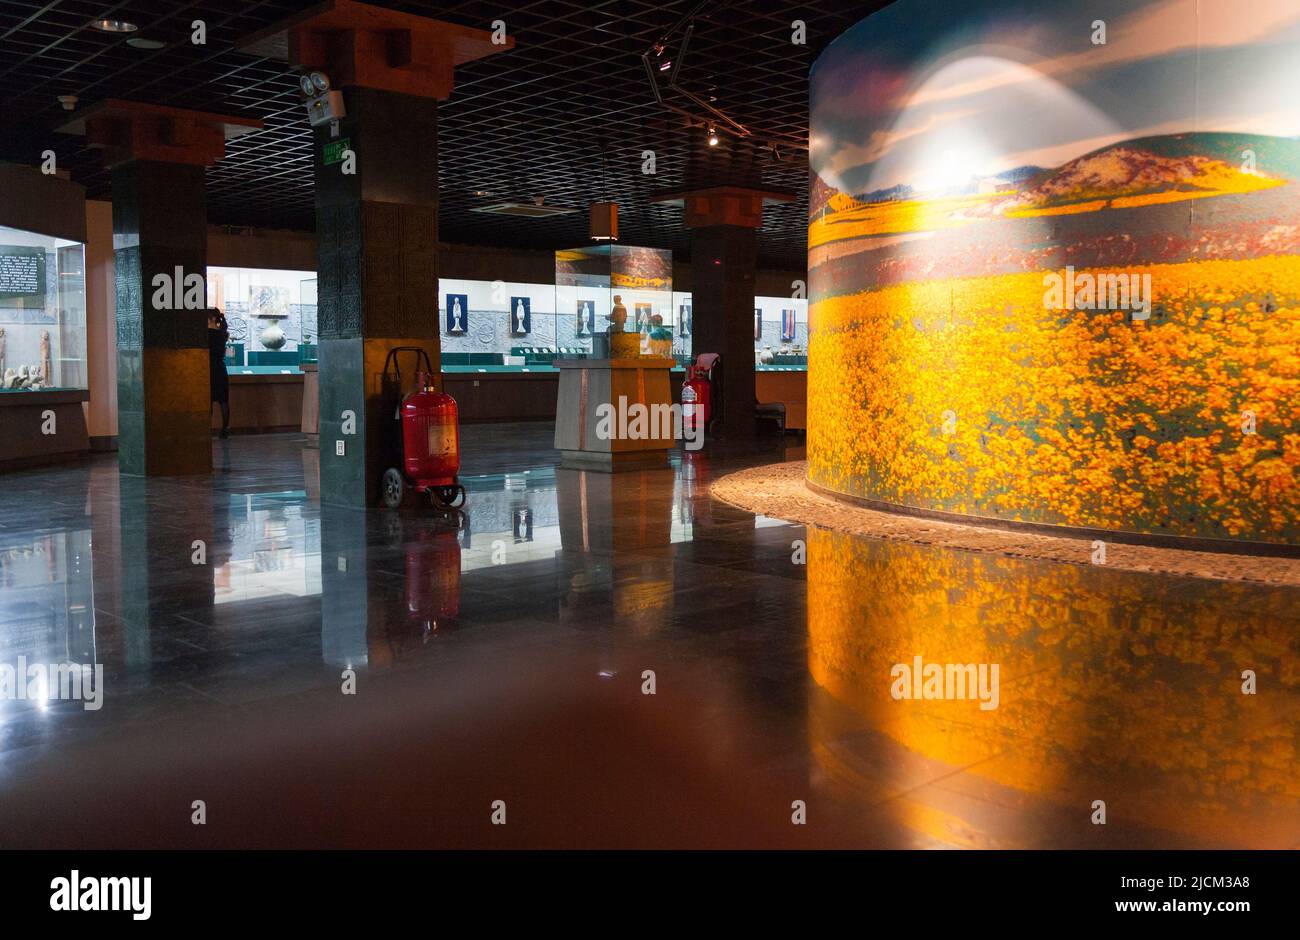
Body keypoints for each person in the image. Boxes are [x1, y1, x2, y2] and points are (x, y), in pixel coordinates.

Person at [207, 308, 231, 438]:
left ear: (210, 319)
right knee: (224, 401)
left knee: (208, 400)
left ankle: (206, 429)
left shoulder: (206, 334)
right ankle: (225, 429)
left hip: (209, 369)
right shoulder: (223, 333)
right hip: (221, 369)